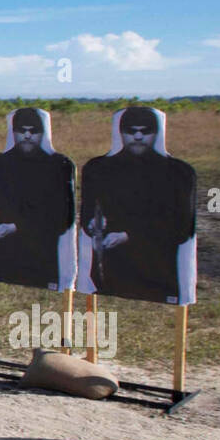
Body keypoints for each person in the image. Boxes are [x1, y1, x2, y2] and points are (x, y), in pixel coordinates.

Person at [79, 105, 197, 304]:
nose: (138, 137)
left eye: (145, 131)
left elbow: (181, 227)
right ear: (121, 132)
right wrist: (92, 222)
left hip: (158, 274)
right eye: (131, 131)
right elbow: (88, 211)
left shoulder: (178, 173)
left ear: (156, 133)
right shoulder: (99, 169)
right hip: (110, 272)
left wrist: (129, 235)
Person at [0, 107, 76, 291]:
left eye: (33, 130)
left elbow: (62, 219)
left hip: (41, 258)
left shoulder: (58, 166)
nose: (27, 135)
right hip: (1, 256)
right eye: (22, 130)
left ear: (43, 132)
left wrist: (17, 225)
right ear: (14, 132)